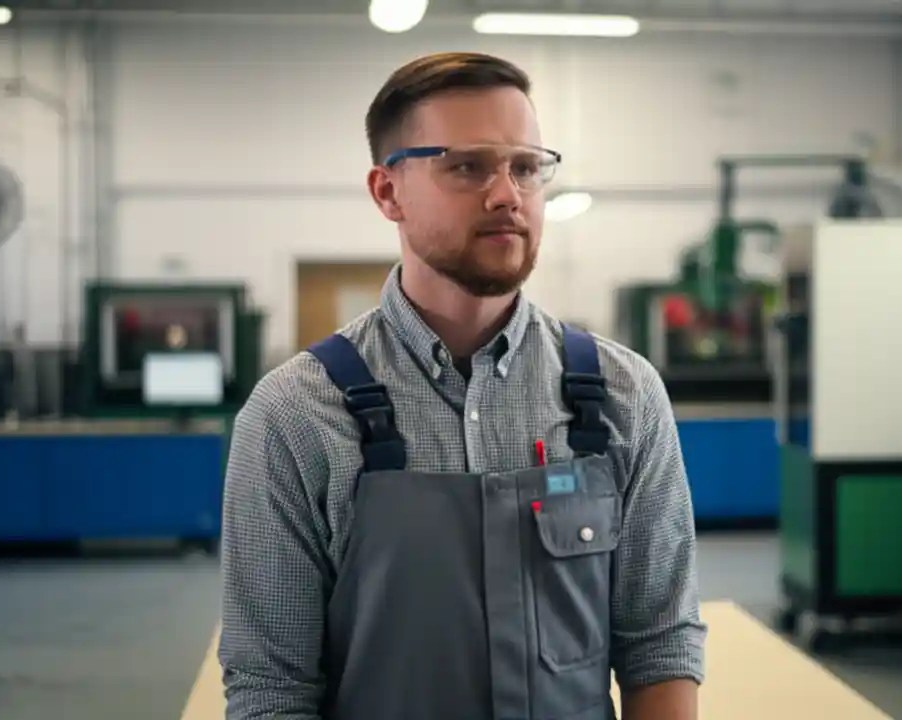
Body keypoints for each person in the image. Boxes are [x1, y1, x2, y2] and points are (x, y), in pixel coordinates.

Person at [218, 51, 706, 720]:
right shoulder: (296, 415)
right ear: (388, 192)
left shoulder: (625, 394)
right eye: (468, 166)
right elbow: (271, 690)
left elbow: (660, 644)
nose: (507, 194)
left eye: (525, 167)